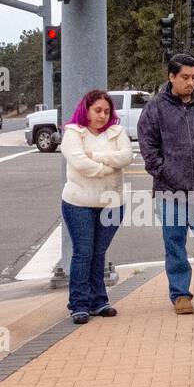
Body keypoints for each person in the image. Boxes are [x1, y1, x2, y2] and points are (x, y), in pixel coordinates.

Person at [137, 53, 194, 315]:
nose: (190, 82)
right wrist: (164, 172)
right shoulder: (154, 109)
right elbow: (148, 149)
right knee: (175, 244)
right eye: (185, 77)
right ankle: (180, 295)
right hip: (170, 193)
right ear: (171, 77)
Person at [60, 89, 134, 323]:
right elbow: (80, 163)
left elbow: (127, 156)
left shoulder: (117, 131)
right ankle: (79, 304)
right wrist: (107, 168)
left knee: (99, 253)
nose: (102, 115)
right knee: (83, 253)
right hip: (79, 203)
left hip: (112, 203)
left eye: (106, 111)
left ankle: (99, 301)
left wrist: (96, 155)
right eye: (97, 110)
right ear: (87, 110)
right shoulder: (73, 132)